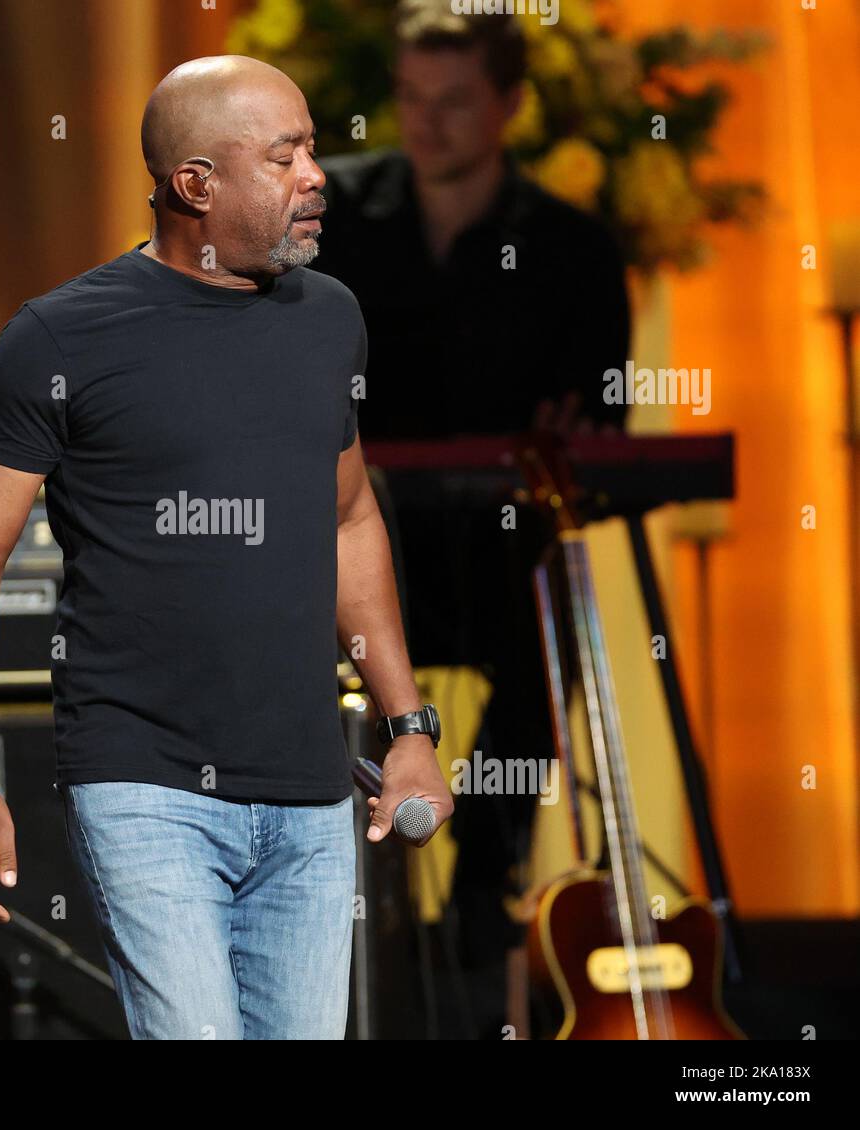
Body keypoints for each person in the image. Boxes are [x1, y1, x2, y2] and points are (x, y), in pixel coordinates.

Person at [0, 54, 453, 1040]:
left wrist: (407, 724)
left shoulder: (327, 318)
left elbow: (349, 520)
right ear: (193, 183)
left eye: (312, 149)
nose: (315, 174)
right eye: (283, 154)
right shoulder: (59, 338)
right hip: (142, 782)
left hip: (307, 785)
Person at [308, 1, 631, 1025]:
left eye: (454, 102)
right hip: (352, 538)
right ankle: (335, 886)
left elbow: (597, 416)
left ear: (509, 105)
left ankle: (480, 888)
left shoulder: (571, 246)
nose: (427, 123)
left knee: (543, 640)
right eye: (411, 98)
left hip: (492, 542)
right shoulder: (334, 217)